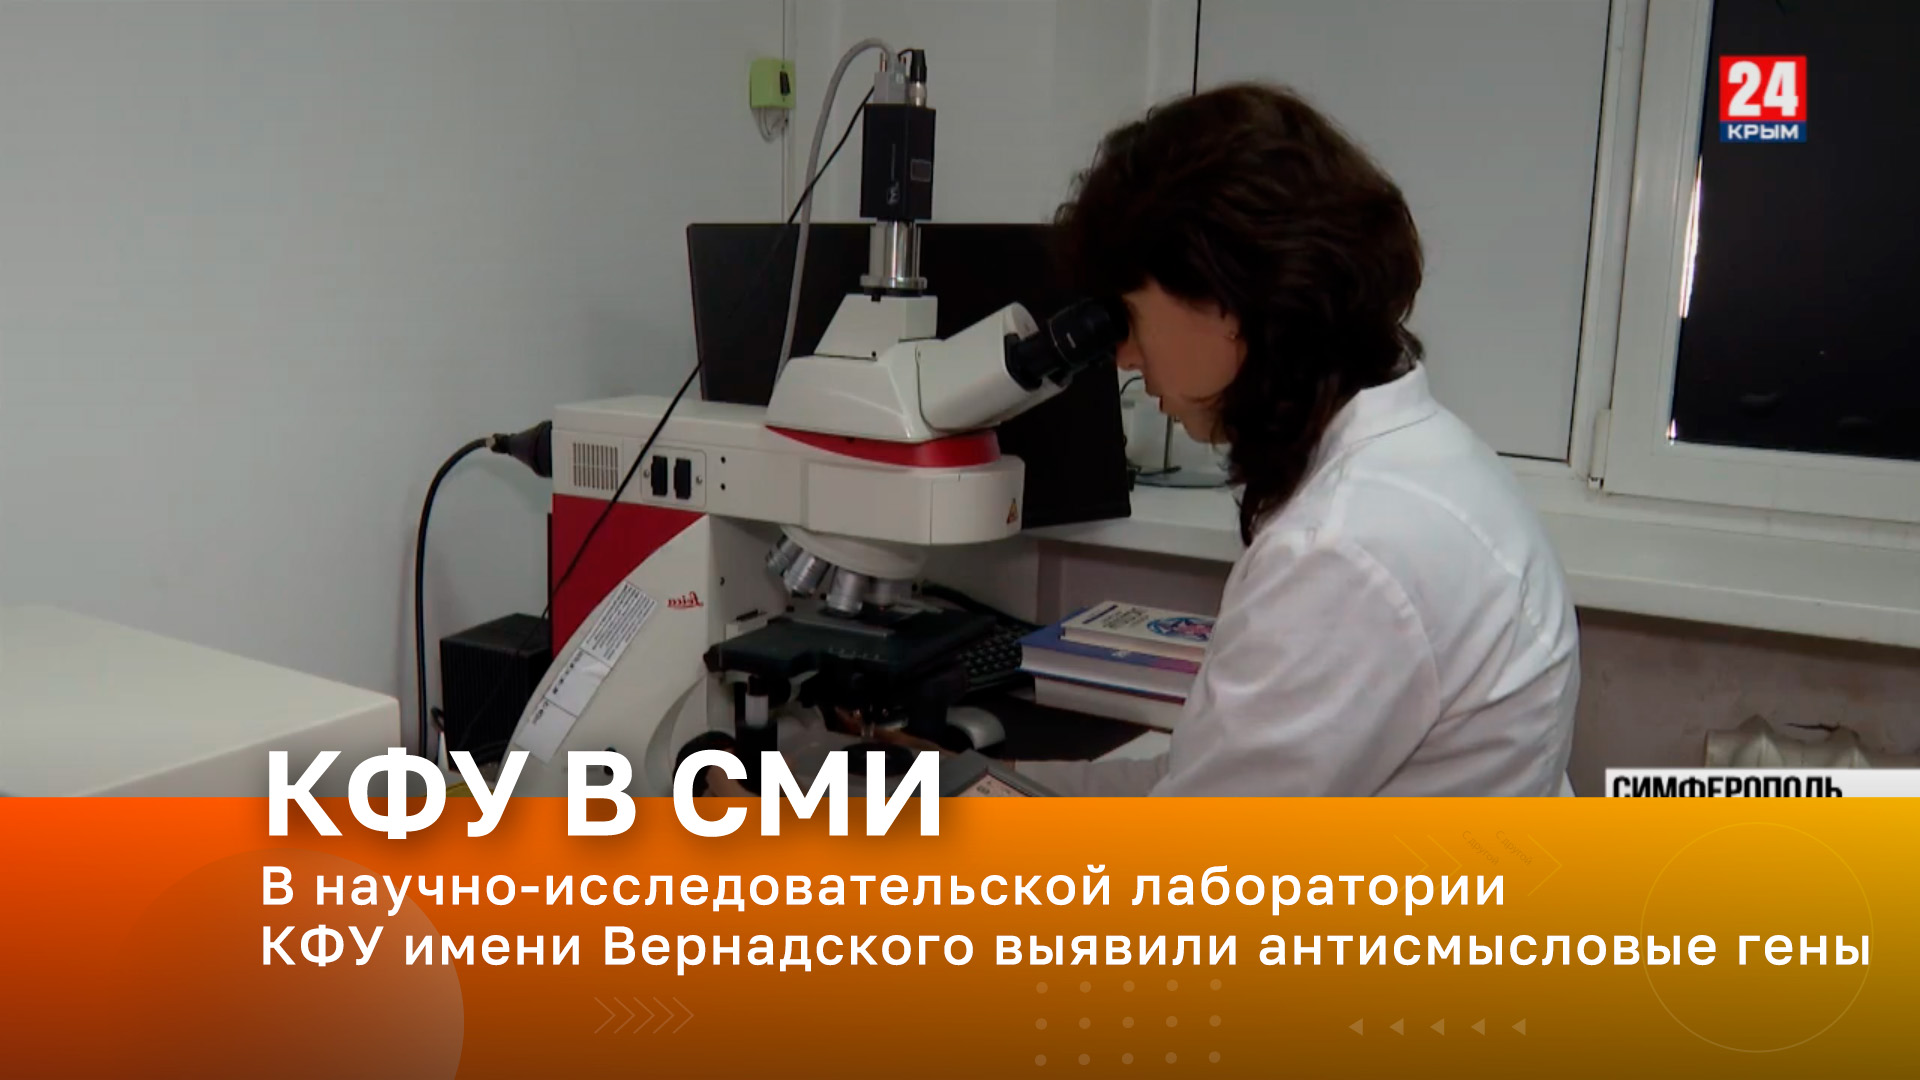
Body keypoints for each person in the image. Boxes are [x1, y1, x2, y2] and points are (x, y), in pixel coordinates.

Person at [1014, 83, 1580, 797]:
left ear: (1224, 296)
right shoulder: (1429, 461)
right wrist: (992, 789)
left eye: (1129, 315)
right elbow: (1195, 785)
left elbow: (1192, 852)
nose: (1123, 357)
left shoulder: (1343, 551)